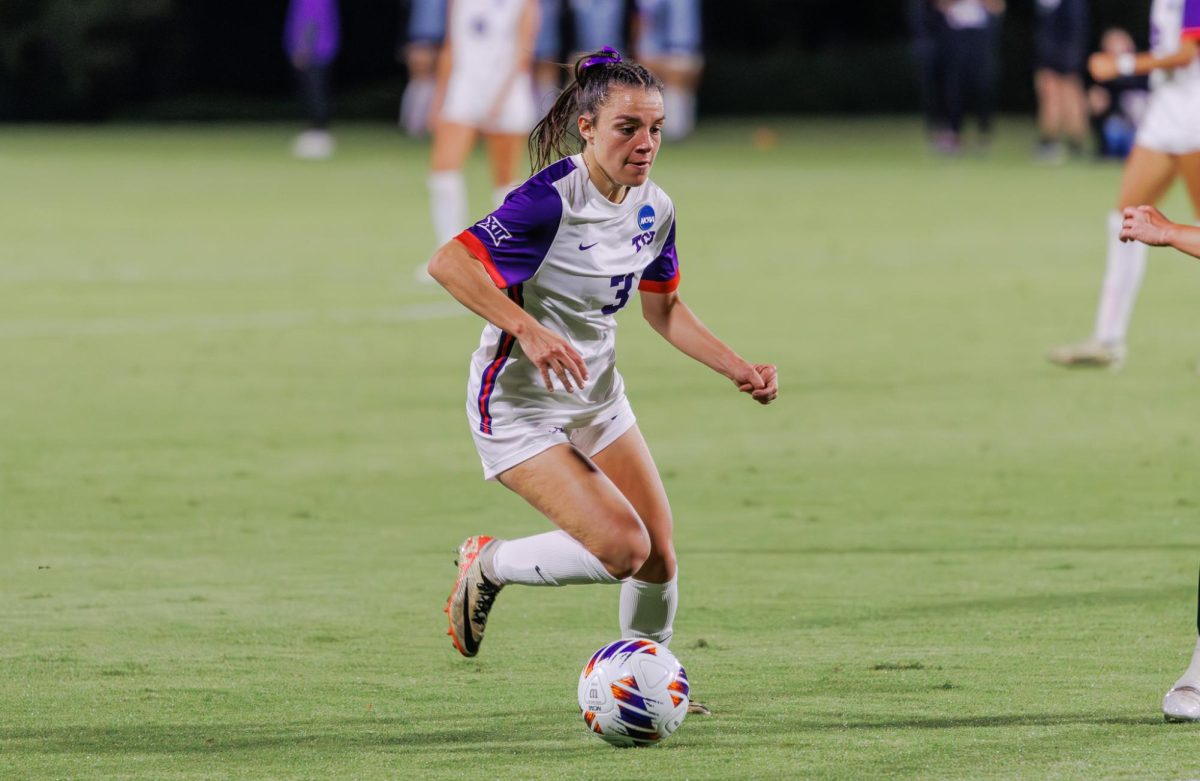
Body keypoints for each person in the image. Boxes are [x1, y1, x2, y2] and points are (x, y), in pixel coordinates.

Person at [427, 48, 778, 715]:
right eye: (628, 128)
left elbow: (663, 308)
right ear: (587, 127)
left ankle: (650, 682)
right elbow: (451, 263)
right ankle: (489, 563)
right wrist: (526, 328)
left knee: (659, 557)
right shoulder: (547, 202)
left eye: (656, 128)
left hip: (596, 397)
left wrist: (738, 366)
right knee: (623, 546)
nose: (645, 143)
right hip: (518, 406)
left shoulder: (655, 207)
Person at [1048, 0, 1200, 369]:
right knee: (1125, 219)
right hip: (1165, 114)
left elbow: (1185, 54)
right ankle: (1108, 339)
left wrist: (1123, 64)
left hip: (1196, 117)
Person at [418, 0, 540, 282]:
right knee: (442, 172)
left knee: (505, 180)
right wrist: (439, 98)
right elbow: (452, 45)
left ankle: (512, 256)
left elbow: (524, 49)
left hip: (506, 90)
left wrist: (499, 97)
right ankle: (447, 255)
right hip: (464, 88)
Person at [934, 0, 1005, 153]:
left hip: (980, 37)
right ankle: (954, 133)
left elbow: (998, 7)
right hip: (956, 37)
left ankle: (983, 132)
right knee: (955, 88)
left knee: (983, 86)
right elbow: (940, 5)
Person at [634, 0, 702, 141]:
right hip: (658, 48)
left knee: (681, 84)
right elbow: (645, 18)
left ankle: (675, 132)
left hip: (682, 47)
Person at [1033, 0, 1090, 164]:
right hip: (1064, 49)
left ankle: (1051, 143)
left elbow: (1075, 25)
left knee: (1056, 94)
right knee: (1066, 94)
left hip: (1061, 51)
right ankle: (1074, 144)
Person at [284, 0, 340, 159]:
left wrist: (303, 48)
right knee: (313, 91)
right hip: (318, 52)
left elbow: (312, 19)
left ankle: (319, 133)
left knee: (315, 93)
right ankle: (317, 131)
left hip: (316, 53)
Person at [1088, 28, 1150, 160]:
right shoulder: (1104, 72)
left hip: (1144, 124)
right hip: (1120, 124)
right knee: (1113, 128)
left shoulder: (1142, 64)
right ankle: (1108, 152)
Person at [398, 0, 447, 137]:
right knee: (421, 80)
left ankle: (423, 123)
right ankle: (416, 124)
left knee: (432, 80)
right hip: (422, 36)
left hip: (436, 37)